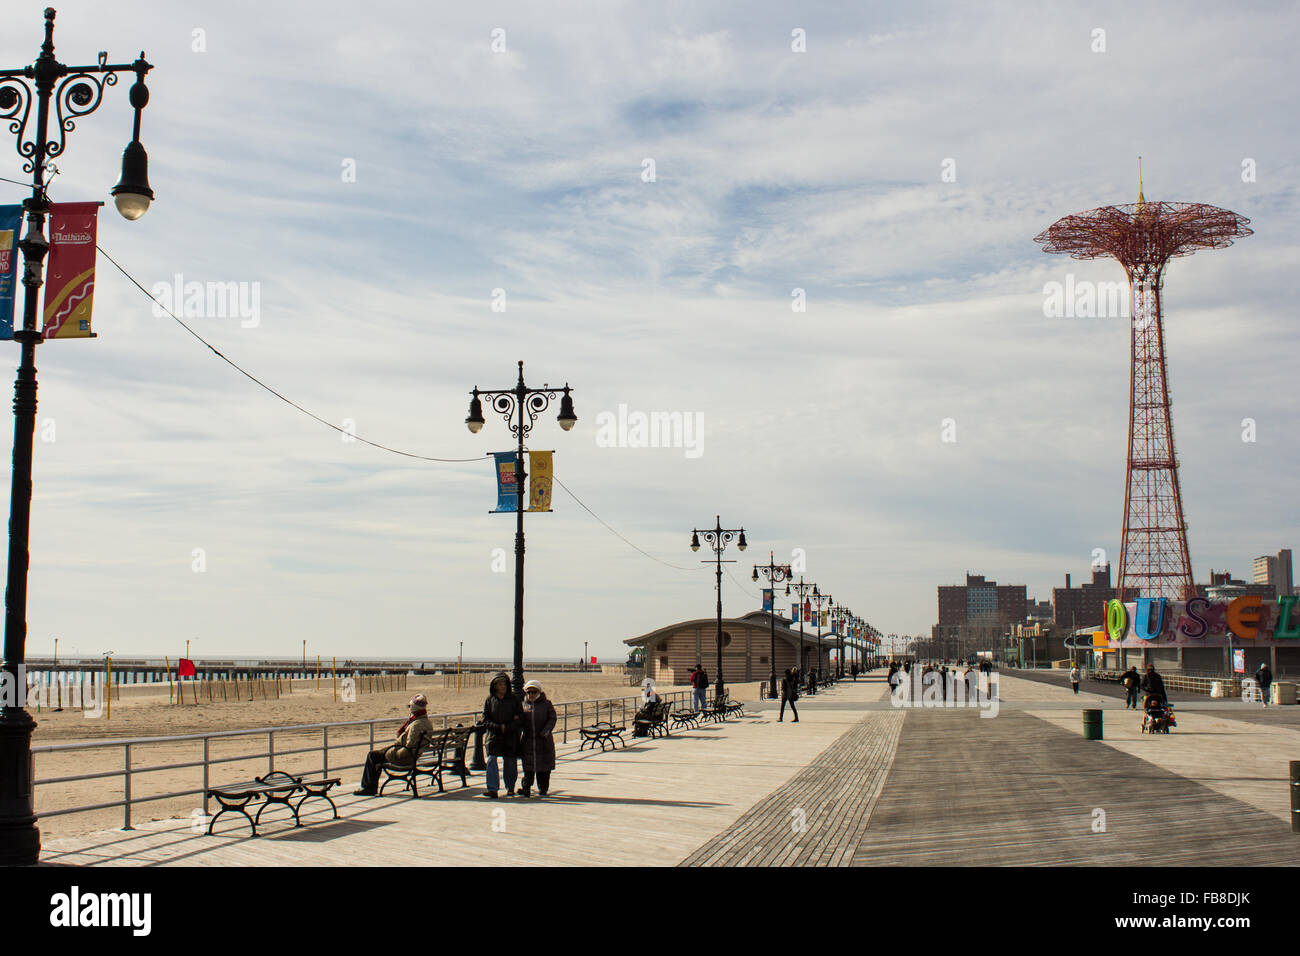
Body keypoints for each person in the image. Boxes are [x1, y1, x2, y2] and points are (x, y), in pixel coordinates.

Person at [354, 694, 433, 796]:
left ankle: (368, 788)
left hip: (405, 758)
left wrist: (395, 753)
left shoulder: (416, 724)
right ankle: (370, 787)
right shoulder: (427, 722)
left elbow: (409, 746)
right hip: (414, 755)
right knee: (378, 754)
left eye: (410, 706)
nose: (409, 709)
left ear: (414, 708)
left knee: (372, 756)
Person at [481, 672, 522, 798]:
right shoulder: (490, 699)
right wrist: (498, 727)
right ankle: (492, 788)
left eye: (504, 684)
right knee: (491, 760)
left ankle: (510, 787)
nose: (502, 686)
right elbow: (485, 718)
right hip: (494, 736)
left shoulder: (514, 699)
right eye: (499, 684)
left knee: (510, 761)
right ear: (494, 686)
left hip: (510, 736)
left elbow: (520, 718)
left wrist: (508, 727)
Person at [519, 679, 556, 797]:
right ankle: (526, 787)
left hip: (543, 741)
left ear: (539, 692)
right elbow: (520, 721)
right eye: (528, 692)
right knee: (528, 767)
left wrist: (545, 732)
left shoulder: (546, 704)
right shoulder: (523, 705)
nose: (531, 695)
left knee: (544, 768)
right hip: (528, 741)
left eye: (533, 692)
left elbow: (552, 718)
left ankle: (543, 788)